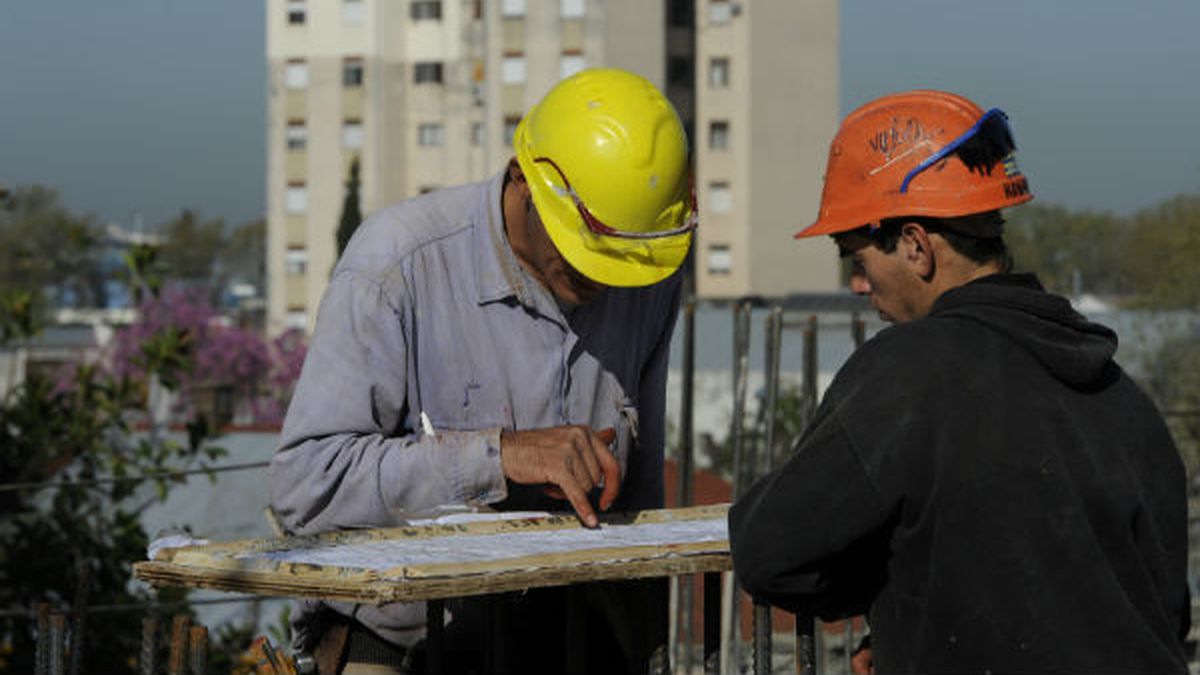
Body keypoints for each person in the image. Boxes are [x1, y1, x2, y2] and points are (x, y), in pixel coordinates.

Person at [728, 90, 1191, 673]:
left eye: (857, 259)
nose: (857, 286)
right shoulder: (1122, 397)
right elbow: (1155, 610)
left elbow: (770, 550)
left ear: (917, 246)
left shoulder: (908, 374)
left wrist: (898, 602)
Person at [270, 68, 695, 674]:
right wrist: (497, 457)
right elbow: (306, 486)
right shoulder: (398, 264)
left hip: (574, 620)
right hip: (405, 632)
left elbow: (643, 487)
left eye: (622, 264)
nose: (604, 280)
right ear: (524, 178)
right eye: (587, 250)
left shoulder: (646, 275)